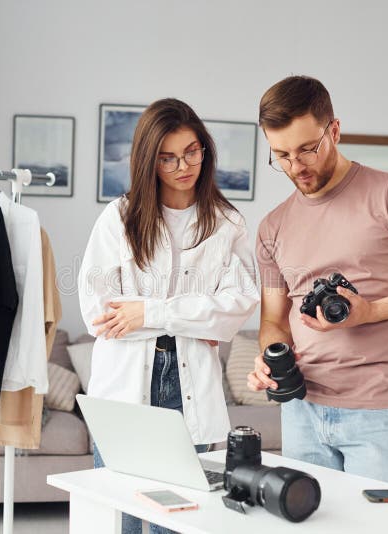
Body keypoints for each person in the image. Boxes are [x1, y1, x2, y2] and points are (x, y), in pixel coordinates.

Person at [247, 76, 388, 487]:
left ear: (334, 130)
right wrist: (269, 359)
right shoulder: (271, 227)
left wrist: (371, 311)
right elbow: (274, 322)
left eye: (307, 149)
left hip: (380, 414)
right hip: (300, 410)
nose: (296, 166)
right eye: (281, 155)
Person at [78, 98, 259, 534]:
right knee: (122, 517)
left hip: (189, 383)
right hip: (122, 386)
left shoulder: (226, 224)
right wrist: (195, 315)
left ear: (205, 151)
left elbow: (237, 307)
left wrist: (149, 312)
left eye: (192, 151)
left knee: (177, 520)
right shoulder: (119, 218)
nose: (184, 165)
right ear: (148, 160)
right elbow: (97, 313)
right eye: (168, 157)